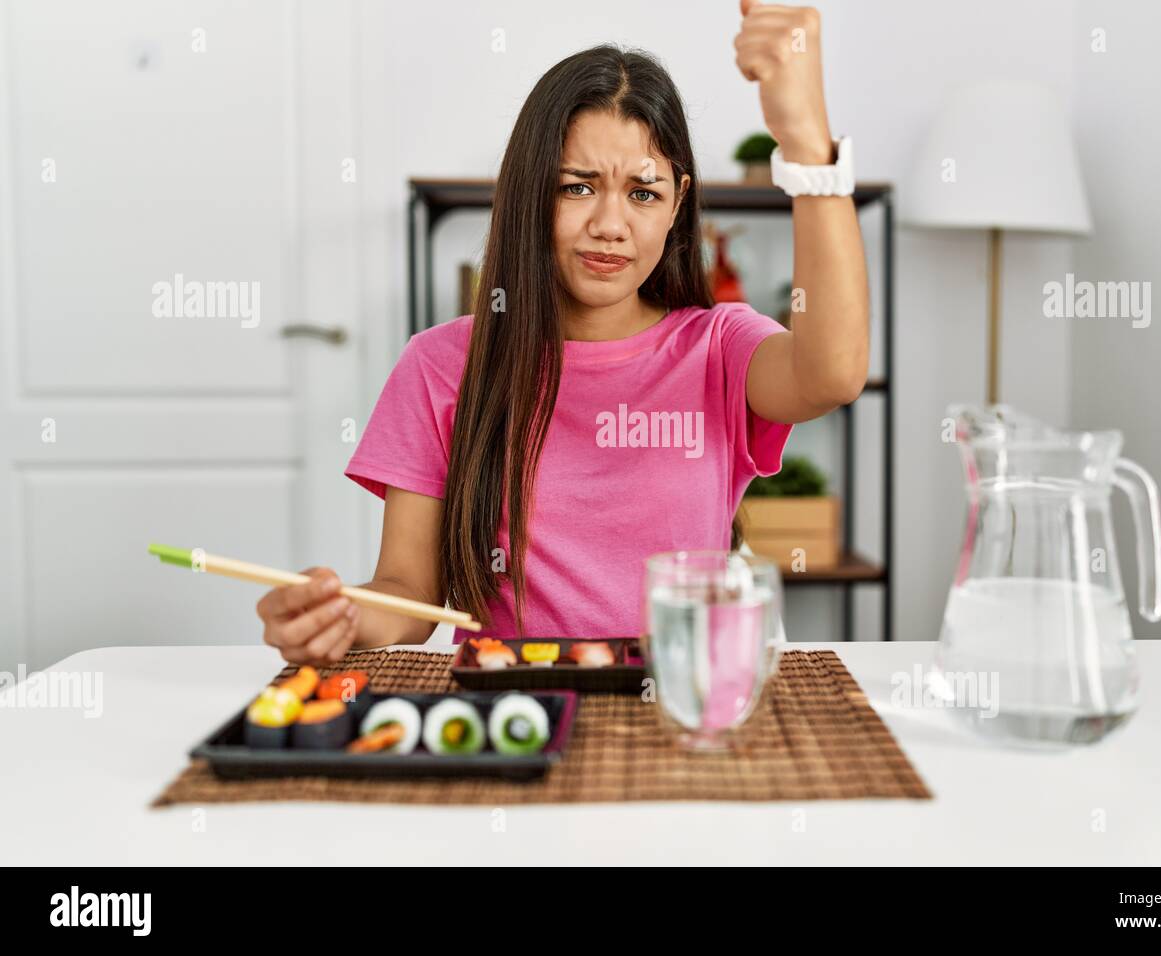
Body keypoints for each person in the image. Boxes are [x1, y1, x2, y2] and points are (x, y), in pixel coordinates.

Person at [258, 2, 869, 665]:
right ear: (530, 192)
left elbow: (832, 371)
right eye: (577, 188)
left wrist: (809, 149)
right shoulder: (440, 364)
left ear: (678, 204)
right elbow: (409, 592)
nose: (611, 224)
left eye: (643, 194)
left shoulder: (719, 347)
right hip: (516, 715)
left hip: (677, 710)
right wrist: (341, 615)